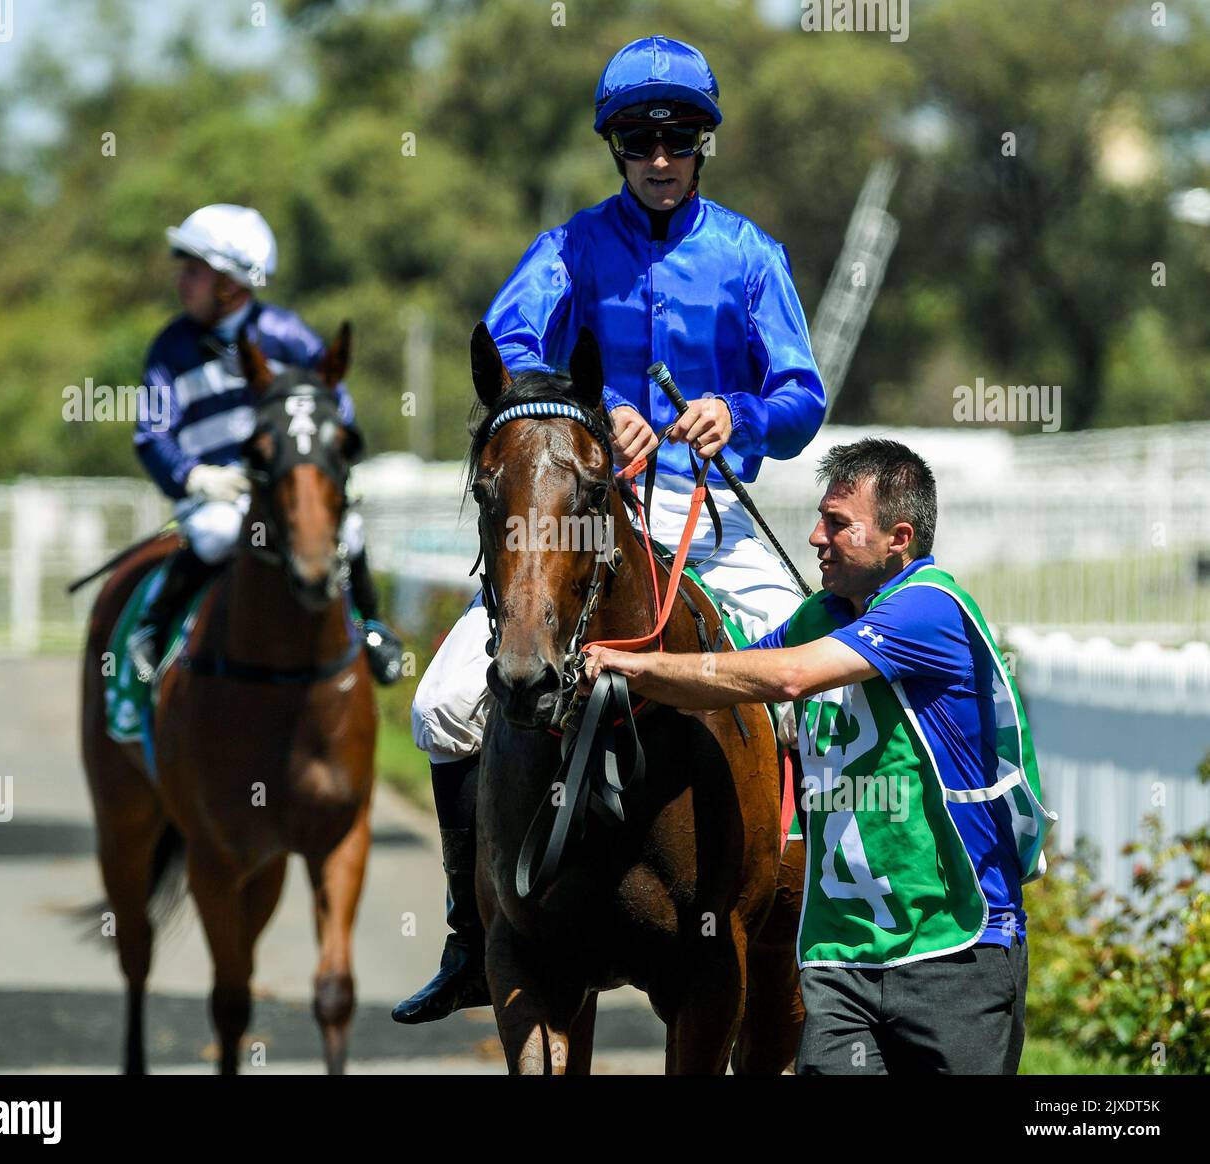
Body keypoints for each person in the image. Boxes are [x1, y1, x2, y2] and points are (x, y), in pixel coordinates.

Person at [395, 36, 826, 1024]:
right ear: (615, 148)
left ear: (703, 145)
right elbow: (509, 346)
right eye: (639, 140)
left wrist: (740, 414)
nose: (660, 156)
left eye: (678, 138)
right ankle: (474, 929)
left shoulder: (752, 258)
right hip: (576, 522)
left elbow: (802, 395)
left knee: (797, 694)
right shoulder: (567, 251)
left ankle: (802, 930)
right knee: (442, 707)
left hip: (707, 519)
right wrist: (580, 412)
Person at [582, 437, 1055, 1074]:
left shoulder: (929, 608)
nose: (814, 537)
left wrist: (633, 665)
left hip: (955, 954)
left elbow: (786, 677)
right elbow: (728, 671)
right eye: (819, 518)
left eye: (837, 523)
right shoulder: (823, 614)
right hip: (841, 967)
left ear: (899, 537)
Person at [128, 203, 404, 686]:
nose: (181, 282)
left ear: (230, 284)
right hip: (217, 496)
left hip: (287, 492)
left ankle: (373, 625)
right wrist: (195, 476)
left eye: (193, 272)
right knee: (215, 533)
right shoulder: (168, 349)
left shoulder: (289, 337)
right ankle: (152, 630)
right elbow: (151, 435)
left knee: (351, 531)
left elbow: (335, 408)